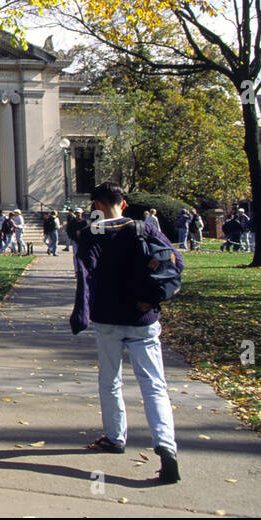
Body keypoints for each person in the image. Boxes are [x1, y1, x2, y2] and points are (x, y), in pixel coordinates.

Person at [70, 181, 181, 484]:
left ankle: (115, 437)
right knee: (154, 384)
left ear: (95, 205)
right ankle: (166, 446)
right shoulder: (145, 229)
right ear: (125, 204)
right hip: (142, 316)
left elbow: (84, 273)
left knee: (110, 380)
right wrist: (154, 297)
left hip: (107, 318)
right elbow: (174, 262)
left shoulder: (91, 235)